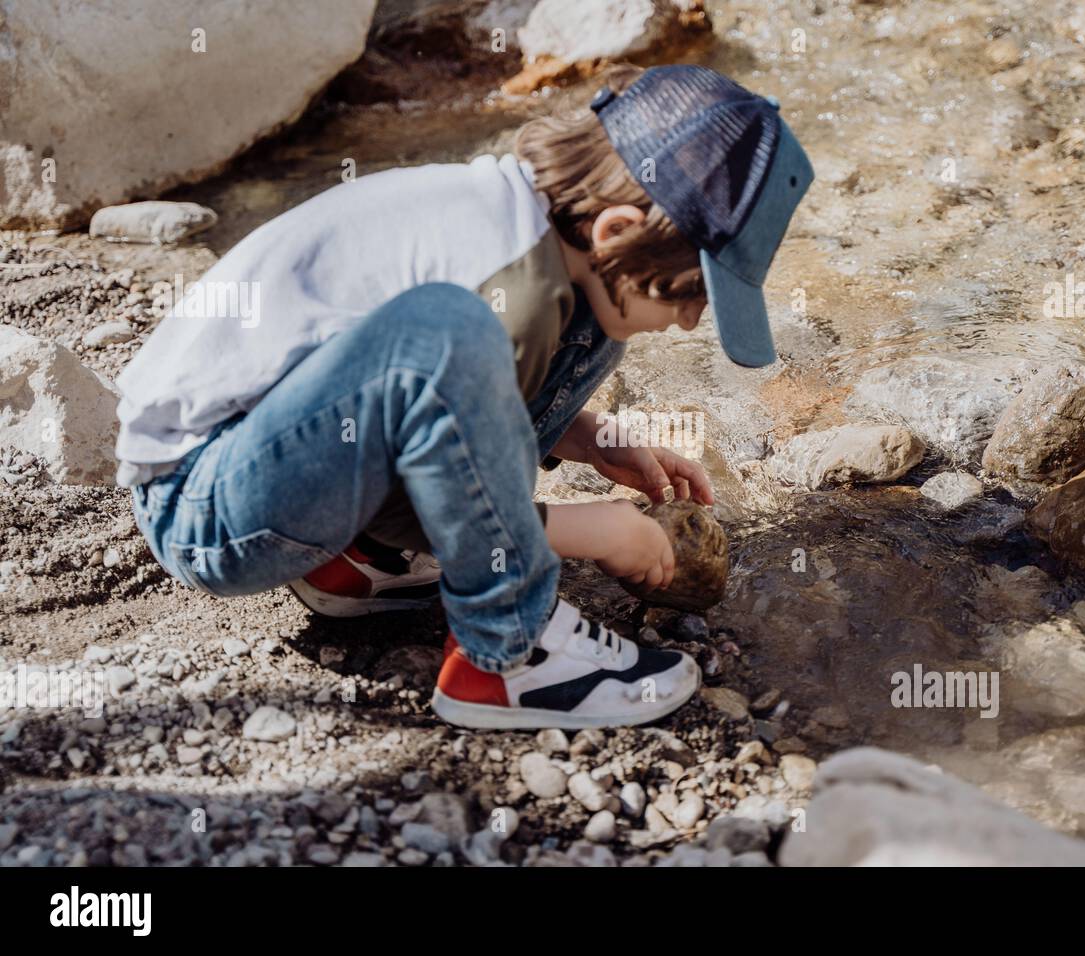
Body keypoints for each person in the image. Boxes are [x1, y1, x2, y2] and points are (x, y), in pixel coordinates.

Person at [114, 64, 814, 730]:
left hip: (280, 459)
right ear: (617, 229)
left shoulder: (531, 230)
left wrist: (591, 436)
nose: (692, 319)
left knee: (597, 320)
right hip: (201, 503)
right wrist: (592, 529)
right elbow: (436, 388)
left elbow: (430, 406)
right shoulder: (498, 273)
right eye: (694, 294)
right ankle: (507, 656)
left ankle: (358, 561)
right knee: (456, 329)